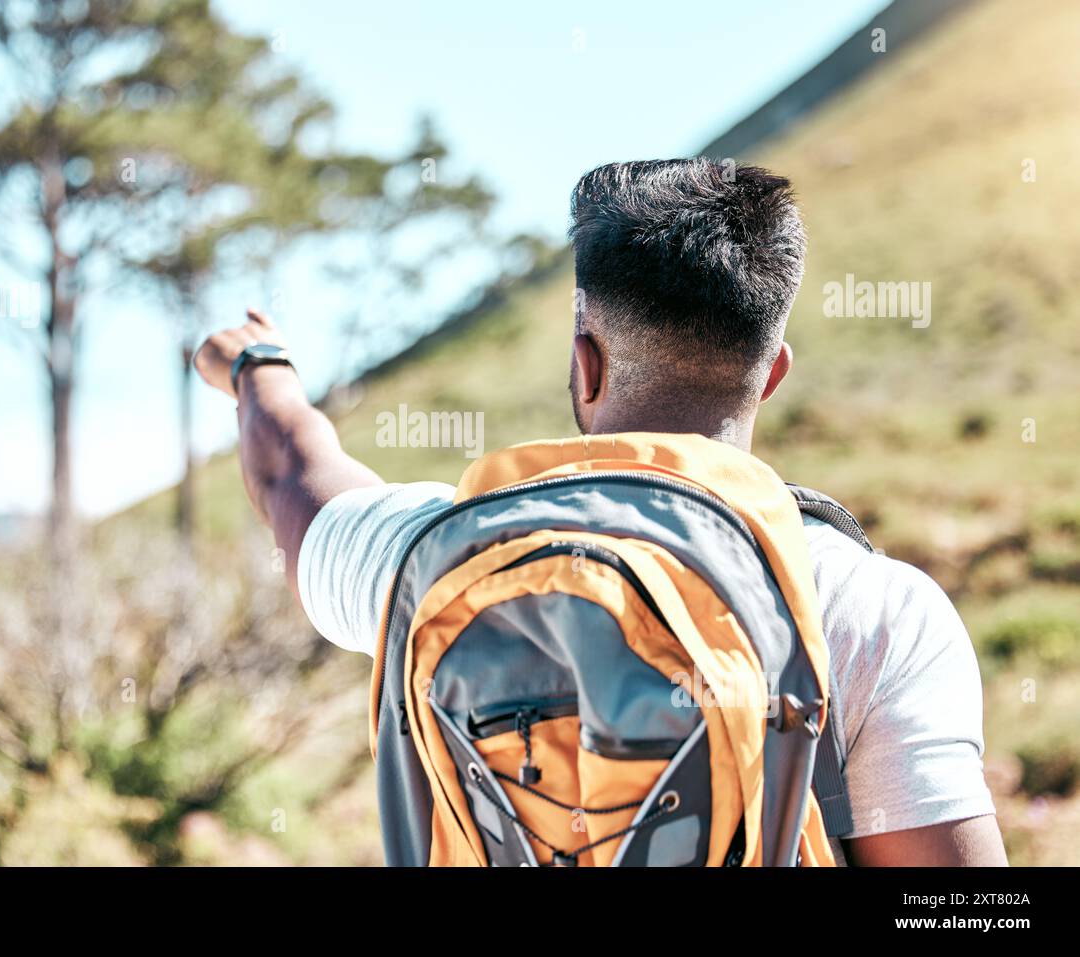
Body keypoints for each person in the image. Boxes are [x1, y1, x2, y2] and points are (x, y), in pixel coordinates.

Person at [193, 158, 1007, 866]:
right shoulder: (874, 609)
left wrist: (259, 367)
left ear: (584, 365)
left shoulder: (427, 562)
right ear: (771, 373)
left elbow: (292, 476)